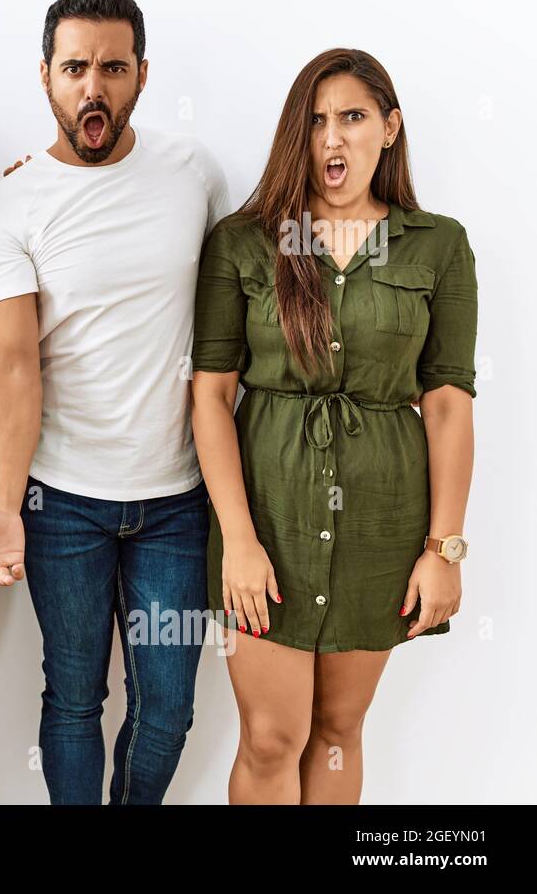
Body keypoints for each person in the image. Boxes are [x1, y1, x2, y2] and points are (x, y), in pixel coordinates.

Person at [0, 0, 230, 804]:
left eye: (112, 67)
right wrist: (3, 501)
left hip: (177, 500)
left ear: (142, 74)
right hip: (62, 501)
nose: (93, 87)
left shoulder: (193, 172)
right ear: (45, 76)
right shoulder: (9, 205)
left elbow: (241, 289)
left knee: (168, 709)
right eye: (75, 68)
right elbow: (10, 362)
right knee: (74, 699)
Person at [191, 48, 478, 804]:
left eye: (352, 117)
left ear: (389, 128)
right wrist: (240, 540)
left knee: (339, 732)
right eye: (315, 121)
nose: (331, 139)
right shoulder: (246, 241)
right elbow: (210, 397)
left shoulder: (438, 245)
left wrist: (443, 549)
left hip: (382, 529)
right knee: (270, 738)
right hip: (267, 520)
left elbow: (448, 400)